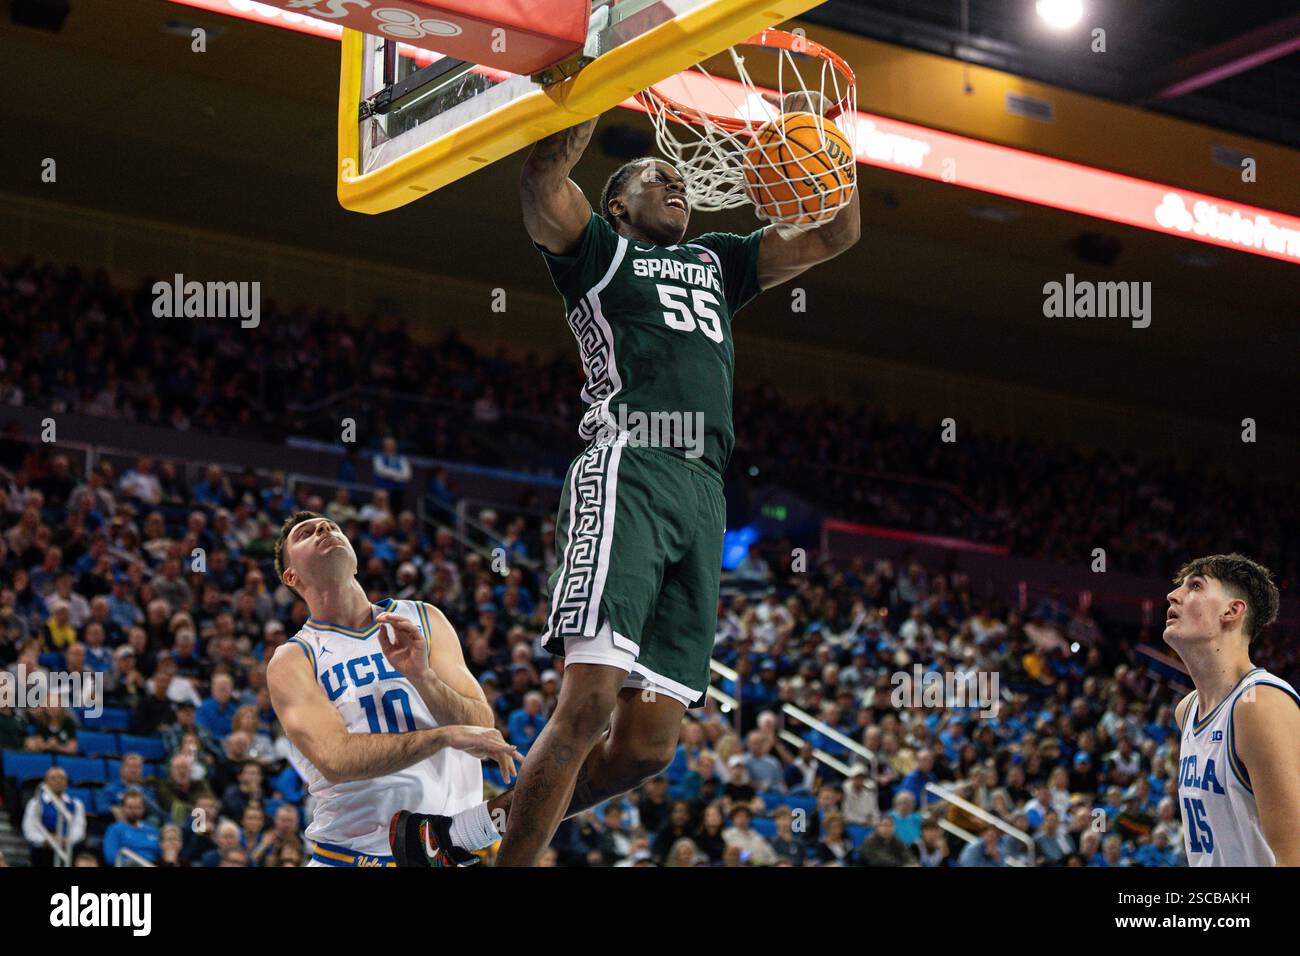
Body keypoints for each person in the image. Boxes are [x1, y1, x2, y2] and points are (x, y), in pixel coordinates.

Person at [389, 106, 857, 868]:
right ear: (617, 205)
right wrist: (588, 89)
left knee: (648, 748)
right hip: (630, 466)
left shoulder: (720, 261)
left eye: (682, 182)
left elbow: (836, 235)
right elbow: (543, 177)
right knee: (589, 702)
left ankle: (458, 835)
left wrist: (838, 158)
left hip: (706, 493)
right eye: (657, 177)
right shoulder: (598, 253)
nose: (677, 186)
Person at [266, 512, 519, 867]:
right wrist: (442, 737)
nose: (324, 529)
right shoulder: (294, 658)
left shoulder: (424, 618)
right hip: (350, 856)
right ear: (291, 576)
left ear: (354, 560)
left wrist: (422, 676)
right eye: (305, 534)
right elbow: (337, 760)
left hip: (443, 852)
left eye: (332, 526)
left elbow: (480, 728)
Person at [1165, 554, 1299, 866]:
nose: (1173, 595)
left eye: (1196, 586)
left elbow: (1294, 856)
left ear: (1232, 610)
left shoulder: (1260, 705)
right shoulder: (1186, 711)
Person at [22, 767, 86, 866]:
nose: (58, 781)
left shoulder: (76, 804)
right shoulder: (35, 803)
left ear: (66, 782)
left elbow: (79, 829)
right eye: (53, 778)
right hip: (42, 850)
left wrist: (67, 840)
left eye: (61, 778)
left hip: (67, 847)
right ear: (46, 782)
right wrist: (45, 840)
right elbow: (29, 829)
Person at [102, 791, 162, 866]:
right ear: (123, 808)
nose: (134, 811)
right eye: (130, 807)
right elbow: (111, 857)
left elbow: (162, 854)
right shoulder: (115, 829)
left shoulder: (153, 831)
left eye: (137, 807)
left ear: (143, 809)